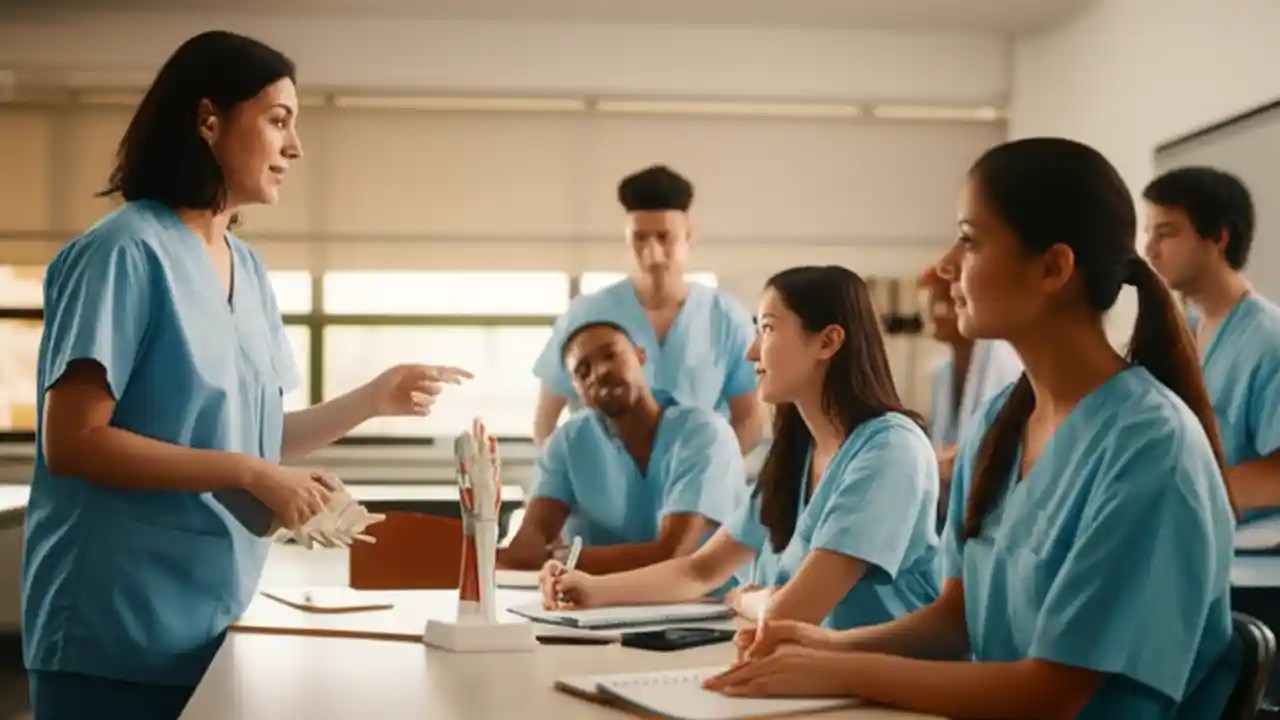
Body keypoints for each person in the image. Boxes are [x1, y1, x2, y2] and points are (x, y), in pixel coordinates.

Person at [705, 139, 1241, 720]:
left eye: (970, 240)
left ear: (1053, 267)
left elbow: (1051, 694)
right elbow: (956, 619)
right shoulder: (999, 424)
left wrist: (840, 666)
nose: (945, 268)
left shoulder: (1149, 446)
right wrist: (829, 643)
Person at [21, 31, 469, 719]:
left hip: (212, 618)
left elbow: (250, 440)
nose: (296, 148)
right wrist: (254, 475)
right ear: (208, 121)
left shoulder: (247, 268)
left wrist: (372, 398)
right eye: (278, 119)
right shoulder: (123, 251)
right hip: (114, 624)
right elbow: (75, 441)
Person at [540, 266, 940, 630]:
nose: (751, 352)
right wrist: (593, 589)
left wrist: (748, 599)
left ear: (828, 342)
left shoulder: (890, 450)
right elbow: (701, 570)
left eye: (767, 328)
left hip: (885, 688)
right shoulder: (794, 457)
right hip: (806, 673)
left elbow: (792, 613)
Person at [531, 165, 765, 453]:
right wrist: (565, 479)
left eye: (664, 237)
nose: (652, 254)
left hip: (699, 479)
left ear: (689, 237)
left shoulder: (726, 317)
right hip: (604, 489)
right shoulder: (586, 314)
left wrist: (715, 473)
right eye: (640, 238)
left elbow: (750, 416)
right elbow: (545, 418)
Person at [498, 320, 745, 574]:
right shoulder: (569, 442)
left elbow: (671, 553)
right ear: (577, 391)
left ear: (640, 356)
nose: (600, 372)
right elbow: (528, 545)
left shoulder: (703, 434)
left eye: (610, 355)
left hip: (709, 604)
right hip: (601, 603)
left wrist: (562, 559)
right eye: (583, 372)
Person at [1143, 166, 1280, 523]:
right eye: (1148, 234)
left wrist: (1183, 491)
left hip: (1252, 562)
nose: (1149, 251)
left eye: (1166, 234)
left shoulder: (1268, 340)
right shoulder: (1181, 335)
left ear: (1219, 236)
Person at [918, 265, 1022, 525]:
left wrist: (954, 459)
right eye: (930, 303)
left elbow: (1001, 443)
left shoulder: (1004, 364)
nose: (935, 313)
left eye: (946, 302)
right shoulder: (942, 375)